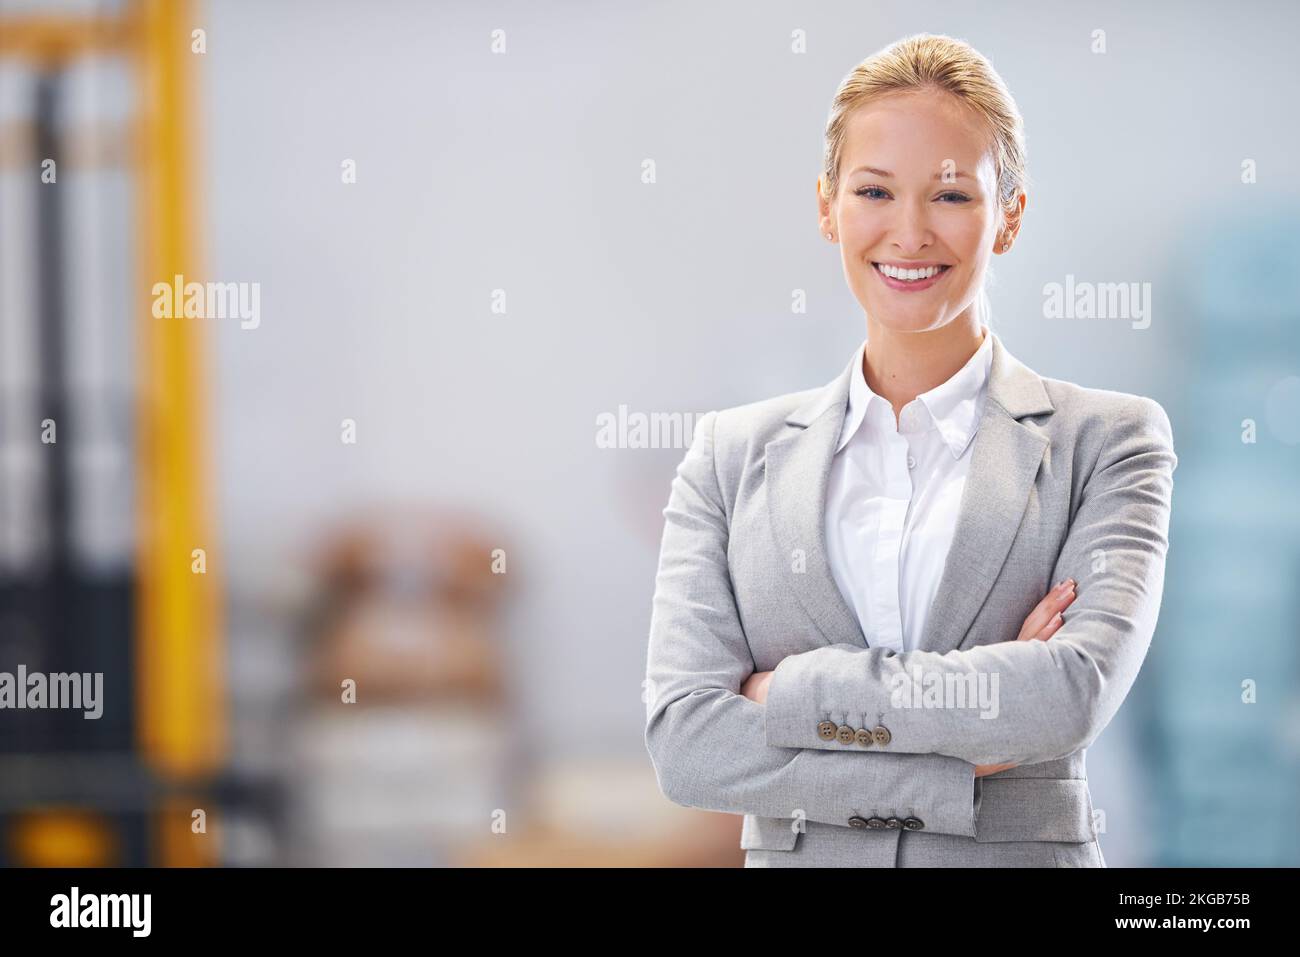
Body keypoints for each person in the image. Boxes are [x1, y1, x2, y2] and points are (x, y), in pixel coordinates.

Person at [642, 33, 1177, 867]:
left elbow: (1067, 693)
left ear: (1011, 215)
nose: (910, 230)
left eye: (953, 195)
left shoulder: (1107, 441)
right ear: (828, 207)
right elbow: (687, 742)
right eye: (874, 191)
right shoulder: (728, 457)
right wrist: (957, 759)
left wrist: (785, 693)